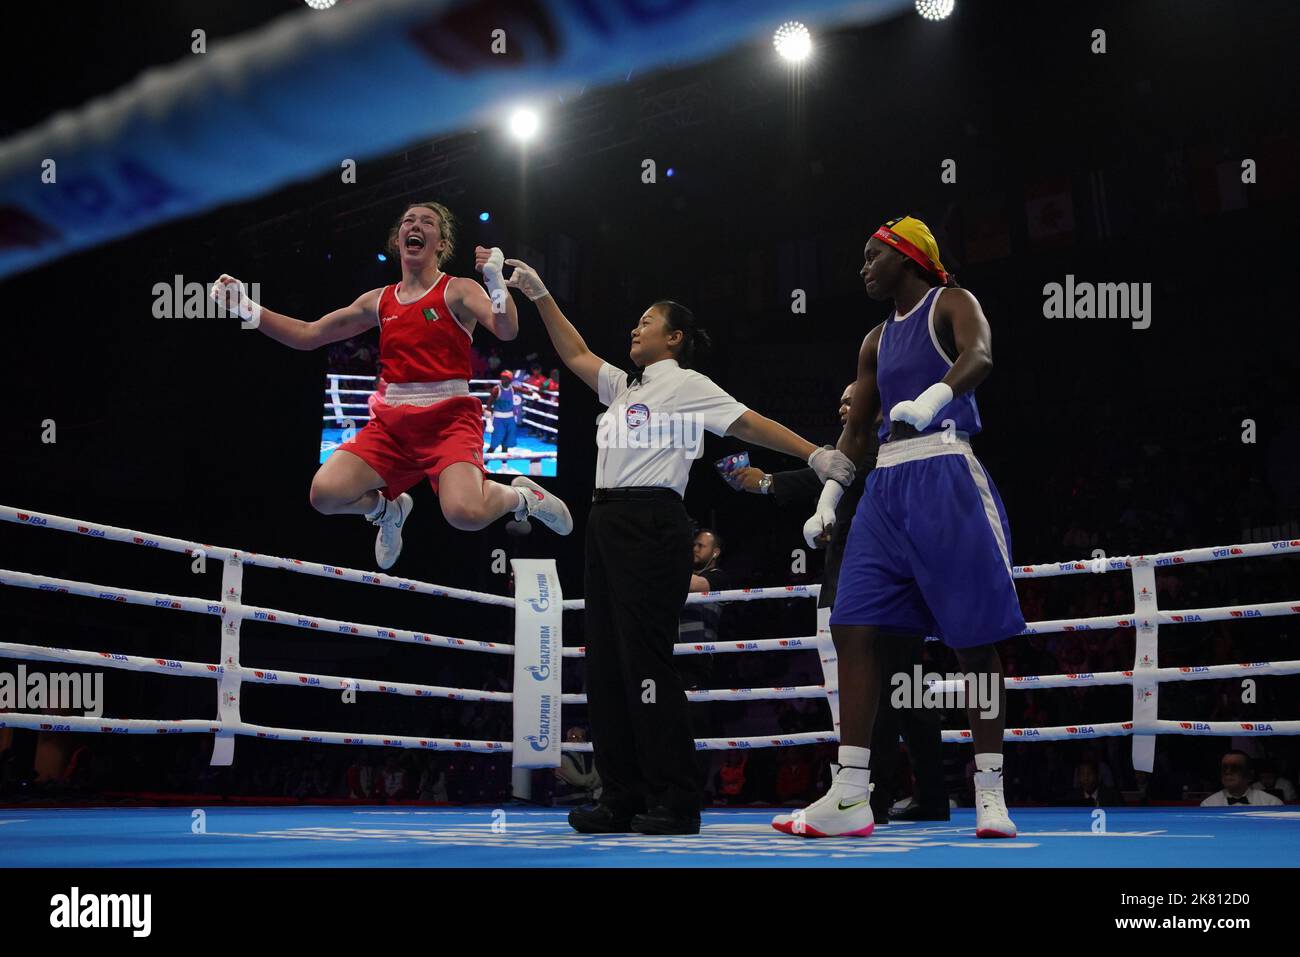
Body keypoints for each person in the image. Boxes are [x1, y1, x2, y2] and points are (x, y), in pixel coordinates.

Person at [504, 257, 855, 835]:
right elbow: (574, 354)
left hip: (653, 521)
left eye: (647, 322)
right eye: (634, 322)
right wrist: (540, 294)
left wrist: (813, 453)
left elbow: (748, 424)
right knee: (607, 665)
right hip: (604, 521)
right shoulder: (622, 385)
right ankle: (621, 796)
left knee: (646, 663)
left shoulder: (687, 384)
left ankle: (676, 798)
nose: (634, 329)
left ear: (675, 338)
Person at [774, 215, 1024, 840]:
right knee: (851, 624)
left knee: (972, 641)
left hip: (944, 470)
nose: (861, 269)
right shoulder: (873, 342)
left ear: (906, 257)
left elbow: (981, 355)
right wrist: (830, 495)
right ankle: (852, 792)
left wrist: (935, 398)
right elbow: (857, 431)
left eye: (870, 257)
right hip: (883, 485)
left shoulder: (953, 302)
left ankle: (989, 792)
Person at [210, 201, 571, 569]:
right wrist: (246, 309)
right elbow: (308, 334)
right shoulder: (378, 300)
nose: (415, 225)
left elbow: (506, 329)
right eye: (408, 221)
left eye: (427, 222)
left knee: (465, 513)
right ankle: (388, 510)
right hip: (392, 425)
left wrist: (494, 282)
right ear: (398, 238)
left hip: (448, 422)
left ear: (440, 244)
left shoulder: (458, 290)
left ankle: (523, 498)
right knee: (325, 494)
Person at [726, 385, 949, 821]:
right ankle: (920, 796)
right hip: (890, 585)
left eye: (852, 400)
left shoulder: (880, 448)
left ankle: (873, 797)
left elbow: (840, 471)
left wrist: (769, 482)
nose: (842, 406)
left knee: (873, 694)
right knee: (904, 693)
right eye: (841, 400)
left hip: (867, 587)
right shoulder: (888, 450)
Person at [1200, 750, 1283, 806]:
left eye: (1235, 767)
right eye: (1224, 768)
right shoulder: (1209, 804)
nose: (1228, 772)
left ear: (1250, 775)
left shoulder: (1271, 803)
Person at [485, 369, 520, 454]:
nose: (503, 380)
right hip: (498, 419)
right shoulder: (496, 389)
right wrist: (488, 422)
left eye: (505, 378)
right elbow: (489, 404)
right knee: (494, 444)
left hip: (510, 419)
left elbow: (523, 390)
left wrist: (533, 394)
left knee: (506, 444)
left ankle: (504, 466)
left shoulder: (512, 388)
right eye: (502, 378)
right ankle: (484, 464)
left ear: (510, 380)